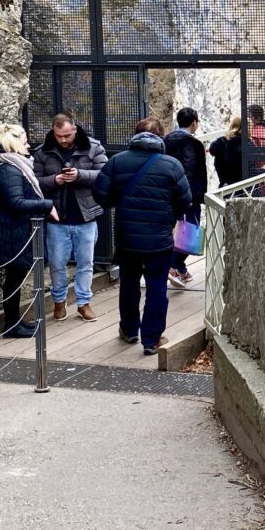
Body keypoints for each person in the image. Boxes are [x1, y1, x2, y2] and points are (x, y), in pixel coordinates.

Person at [93, 118, 191, 357]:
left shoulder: (117, 161)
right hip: (159, 238)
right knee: (157, 286)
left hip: (128, 237)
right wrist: (169, 218)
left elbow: (101, 195)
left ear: (135, 135)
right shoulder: (172, 165)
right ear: (161, 137)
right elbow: (185, 199)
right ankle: (152, 339)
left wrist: (122, 201)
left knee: (128, 284)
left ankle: (128, 330)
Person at [33, 113, 108, 323]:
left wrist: (80, 175)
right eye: (59, 136)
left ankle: (84, 303)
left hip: (86, 216)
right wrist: (54, 180)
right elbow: (34, 182)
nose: (64, 140)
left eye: (67, 135)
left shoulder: (93, 147)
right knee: (57, 264)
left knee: (86, 263)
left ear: (75, 129)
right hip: (57, 219)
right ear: (53, 132)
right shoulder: (42, 152)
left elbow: (105, 174)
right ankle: (59, 302)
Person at [0, 123, 56, 339]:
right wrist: (47, 205)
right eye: (25, 140)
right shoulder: (9, 169)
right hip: (12, 233)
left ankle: (14, 321)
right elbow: (16, 202)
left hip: (13, 231)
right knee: (13, 280)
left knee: (14, 279)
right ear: (15, 143)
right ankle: (11, 324)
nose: (29, 145)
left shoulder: (9, 166)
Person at [164, 107, 207, 290]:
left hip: (166, 193)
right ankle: (172, 264)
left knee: (173, 231)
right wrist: (188, 194)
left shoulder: (165, 140)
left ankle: (179, 268)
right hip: (188, 195)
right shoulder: (193, 144)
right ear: (194, 122)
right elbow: (189, 170)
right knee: (191, 231)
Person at [209, 116, 244, 188]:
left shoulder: (221, 142)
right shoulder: (246, 144)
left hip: (225, 184)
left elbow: (212, 150)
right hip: (242, 186)